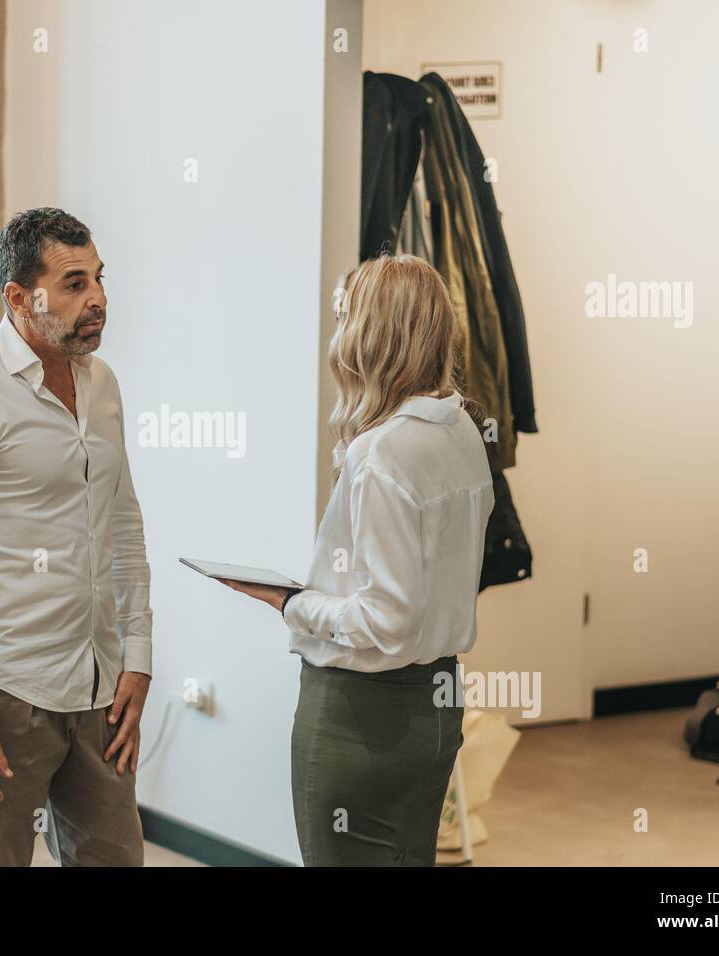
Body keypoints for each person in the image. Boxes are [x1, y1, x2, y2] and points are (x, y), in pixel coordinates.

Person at [219, 254, 494, 866]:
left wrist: (294, 603)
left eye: (346, 317)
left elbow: (386, 618)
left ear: (371, 335)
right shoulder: (462, 432)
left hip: (362, 714)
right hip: (437, 702)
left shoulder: (384, 450)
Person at [0, 207, 153, 866]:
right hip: (6, 694)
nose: (97, 299)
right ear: (19, 296)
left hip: (99, 685)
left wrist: (140, 651)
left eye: (99, 279)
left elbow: (123, 522)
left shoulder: (103, 386)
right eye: (74, 284)